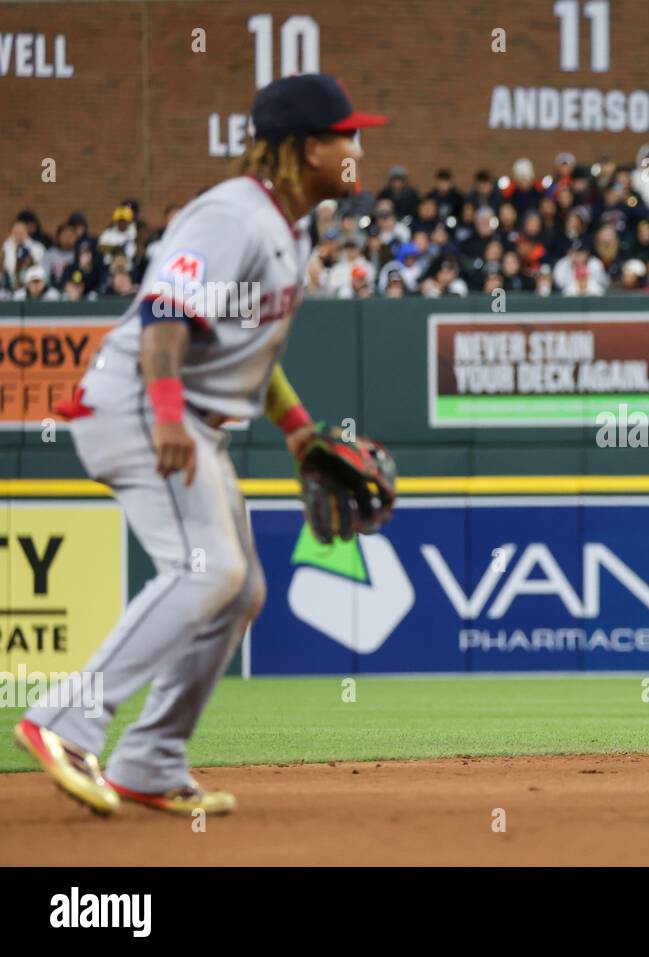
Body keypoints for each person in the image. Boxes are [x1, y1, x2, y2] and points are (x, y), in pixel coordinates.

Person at [13, 74, 396, 817]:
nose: (358, 149)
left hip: (186, 415)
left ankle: (150, 759)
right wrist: (161, 414)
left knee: (240, 588)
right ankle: (64, 720)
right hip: (141, 405)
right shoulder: (233, 216)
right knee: (208, 569)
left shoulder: (291, 228)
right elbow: (164, 311)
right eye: (346, 136)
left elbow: (247, 351)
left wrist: (299, 432)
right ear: (306, 148)